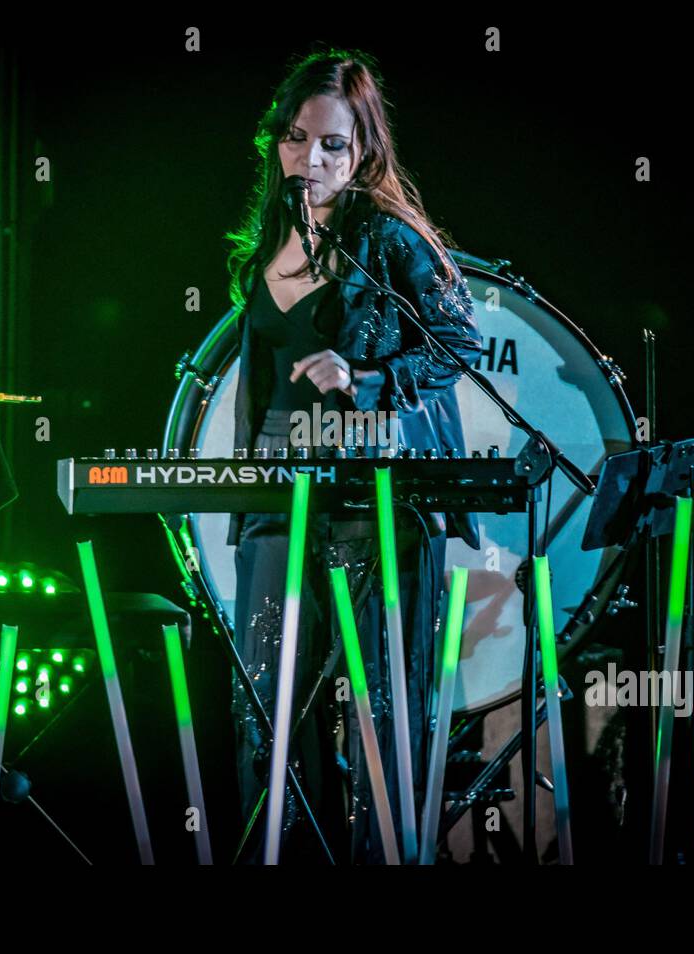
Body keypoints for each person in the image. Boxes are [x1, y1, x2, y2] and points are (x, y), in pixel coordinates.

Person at [223, 48, 483, 863]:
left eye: (333, 145)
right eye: (297, 140)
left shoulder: (392, 240)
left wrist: (367, 378)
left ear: (364, 151)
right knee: (269, 708)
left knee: (381, 710)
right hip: (276, 492)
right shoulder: (265, 239)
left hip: (372, 499)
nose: (311, 160)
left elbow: (461, 342)